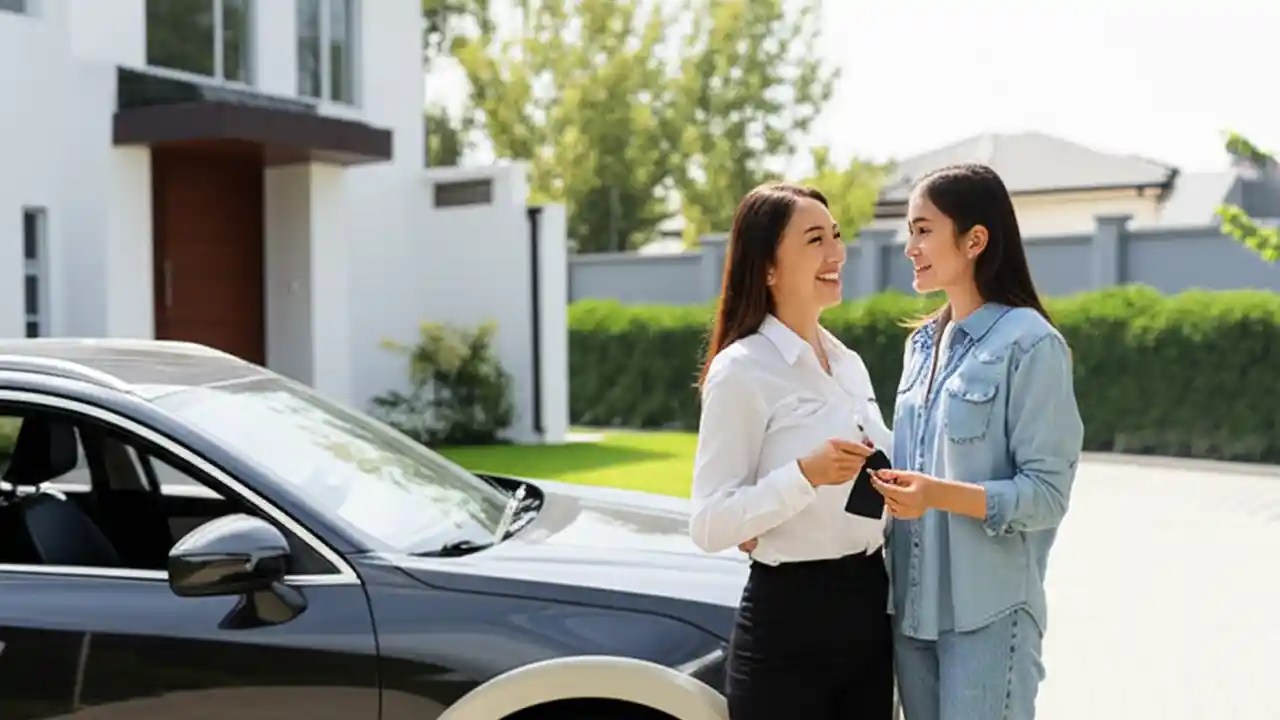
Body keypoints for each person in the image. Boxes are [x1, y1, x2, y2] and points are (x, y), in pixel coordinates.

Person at [869, 163, 1084, 720]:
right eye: (908, 231)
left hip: (990, 618)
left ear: (974, 240)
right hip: (911, 616)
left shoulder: (1032, 344)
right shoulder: (918, 346)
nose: (909, 245)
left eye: (922, 229)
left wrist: (937, 494)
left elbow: (1045, 494)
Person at [688, 182, 895, 720]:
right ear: (769, 268)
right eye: (814, 240)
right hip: (790, 625)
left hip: (869, 608)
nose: (836, 253)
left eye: (836, 236)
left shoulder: (848, 362)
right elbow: (709, 523)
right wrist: (805, 475)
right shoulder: (742, 369)